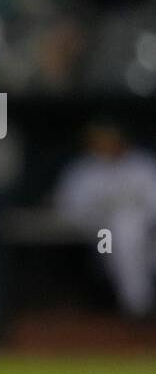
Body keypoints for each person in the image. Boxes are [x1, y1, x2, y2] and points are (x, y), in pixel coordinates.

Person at [54, 121, 156, 317]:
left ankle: (139, 308)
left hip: (148, 232)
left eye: (109, 139)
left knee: (133, 235)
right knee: (124, 231)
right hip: (101, 236)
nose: (105, 144)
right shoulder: (83, 170)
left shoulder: (143, 165)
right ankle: (138, 309)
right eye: (99, 139)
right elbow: (69, 210)